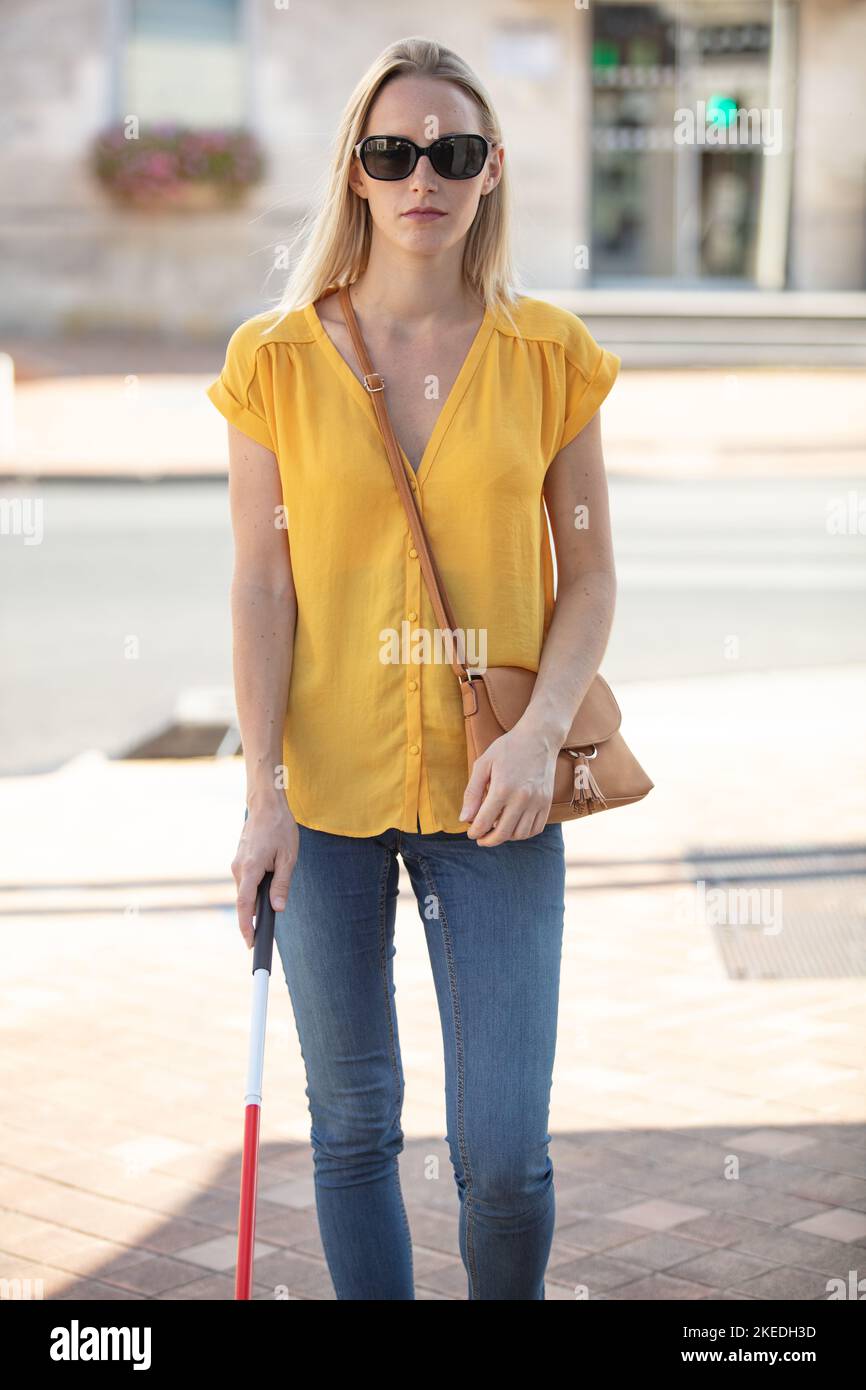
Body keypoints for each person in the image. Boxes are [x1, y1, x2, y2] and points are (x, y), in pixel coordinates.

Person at [206, 35, 620, 1301]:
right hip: (323, 798)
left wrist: (540, 730)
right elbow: (264, 584)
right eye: (392, 152)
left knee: (502, 1156)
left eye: (451, 151)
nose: (420, 175)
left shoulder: (548, 354)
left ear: (489, 172)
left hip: (500, 797)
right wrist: (260, 796)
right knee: (349, 1129)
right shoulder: (274, 360)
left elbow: (590, 573)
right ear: (357, 174)